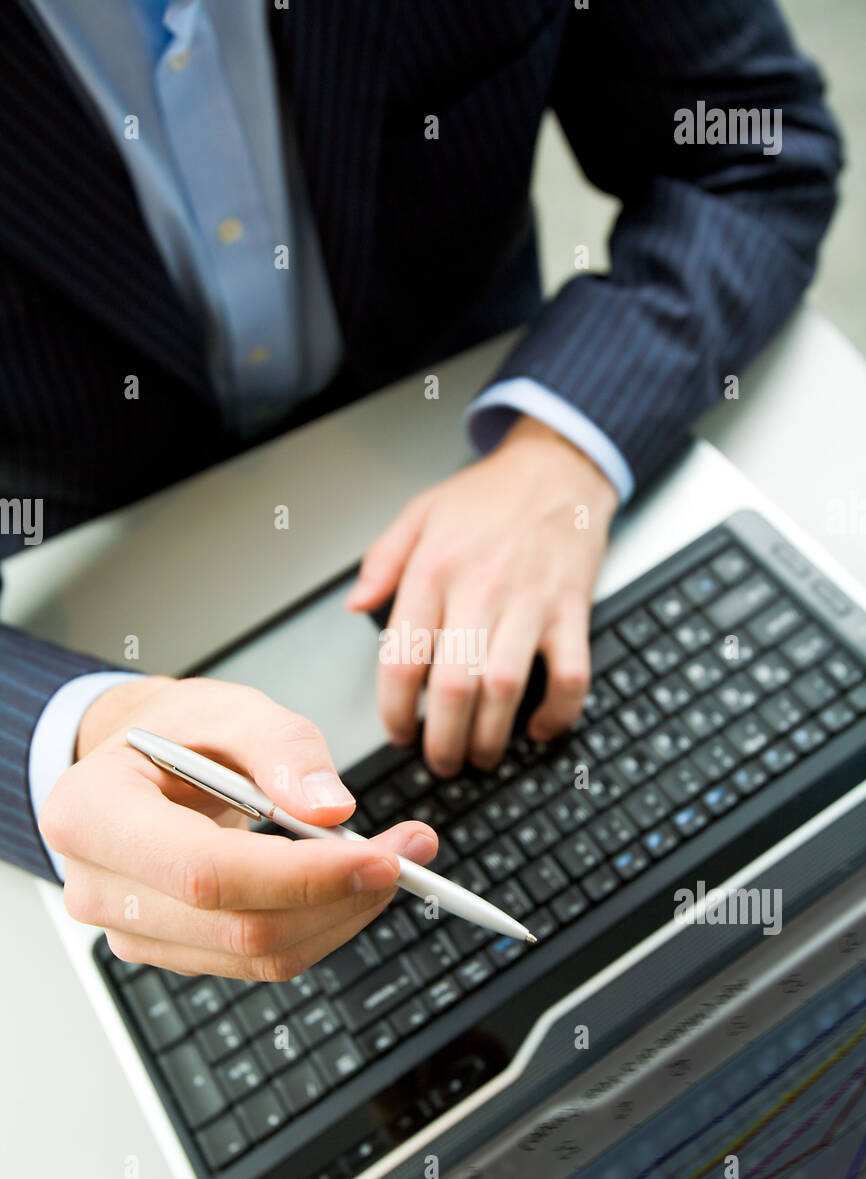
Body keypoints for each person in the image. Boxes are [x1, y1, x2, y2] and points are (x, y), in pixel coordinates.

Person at [0, 0, 842, 981]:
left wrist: (561, 444)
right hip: (90, 577)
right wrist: (61, 737)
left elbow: (751, 142)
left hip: (467, 424)